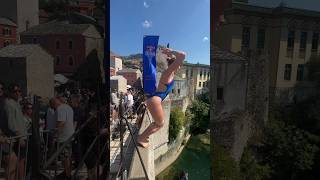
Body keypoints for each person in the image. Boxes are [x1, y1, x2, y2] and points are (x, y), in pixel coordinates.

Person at [137, 48, 185, 148]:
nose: (179, 67)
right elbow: (182, 55)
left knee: (158, 123)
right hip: (155, 100)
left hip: (155, 100)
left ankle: (143, 137)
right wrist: (171, 51)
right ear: (174, 65)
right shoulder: (168, 73)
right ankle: (142, 138)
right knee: (159, 124)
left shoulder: (171, 74)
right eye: (178, 65)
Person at [4, 84, 28, 180]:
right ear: (10, 92)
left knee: (21, 161)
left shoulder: (16, 103)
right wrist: (20, 137)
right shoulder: (9, 104)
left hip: (21, 136)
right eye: (16, 91)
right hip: (17, 138)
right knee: (16, 163)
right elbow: (11, 124)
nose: (18, 93)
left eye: (19, 91)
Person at [52, 97, 75, 179]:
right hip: (70, 136)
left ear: (56, 102)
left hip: (63, 137)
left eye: (52, 104)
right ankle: (67, 173)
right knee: (68, 156)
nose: (53, 107)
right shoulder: (69, 108)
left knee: (65, 157)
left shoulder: (60, 109)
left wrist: (55, 136)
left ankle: (68, 175)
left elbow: (61, 122)